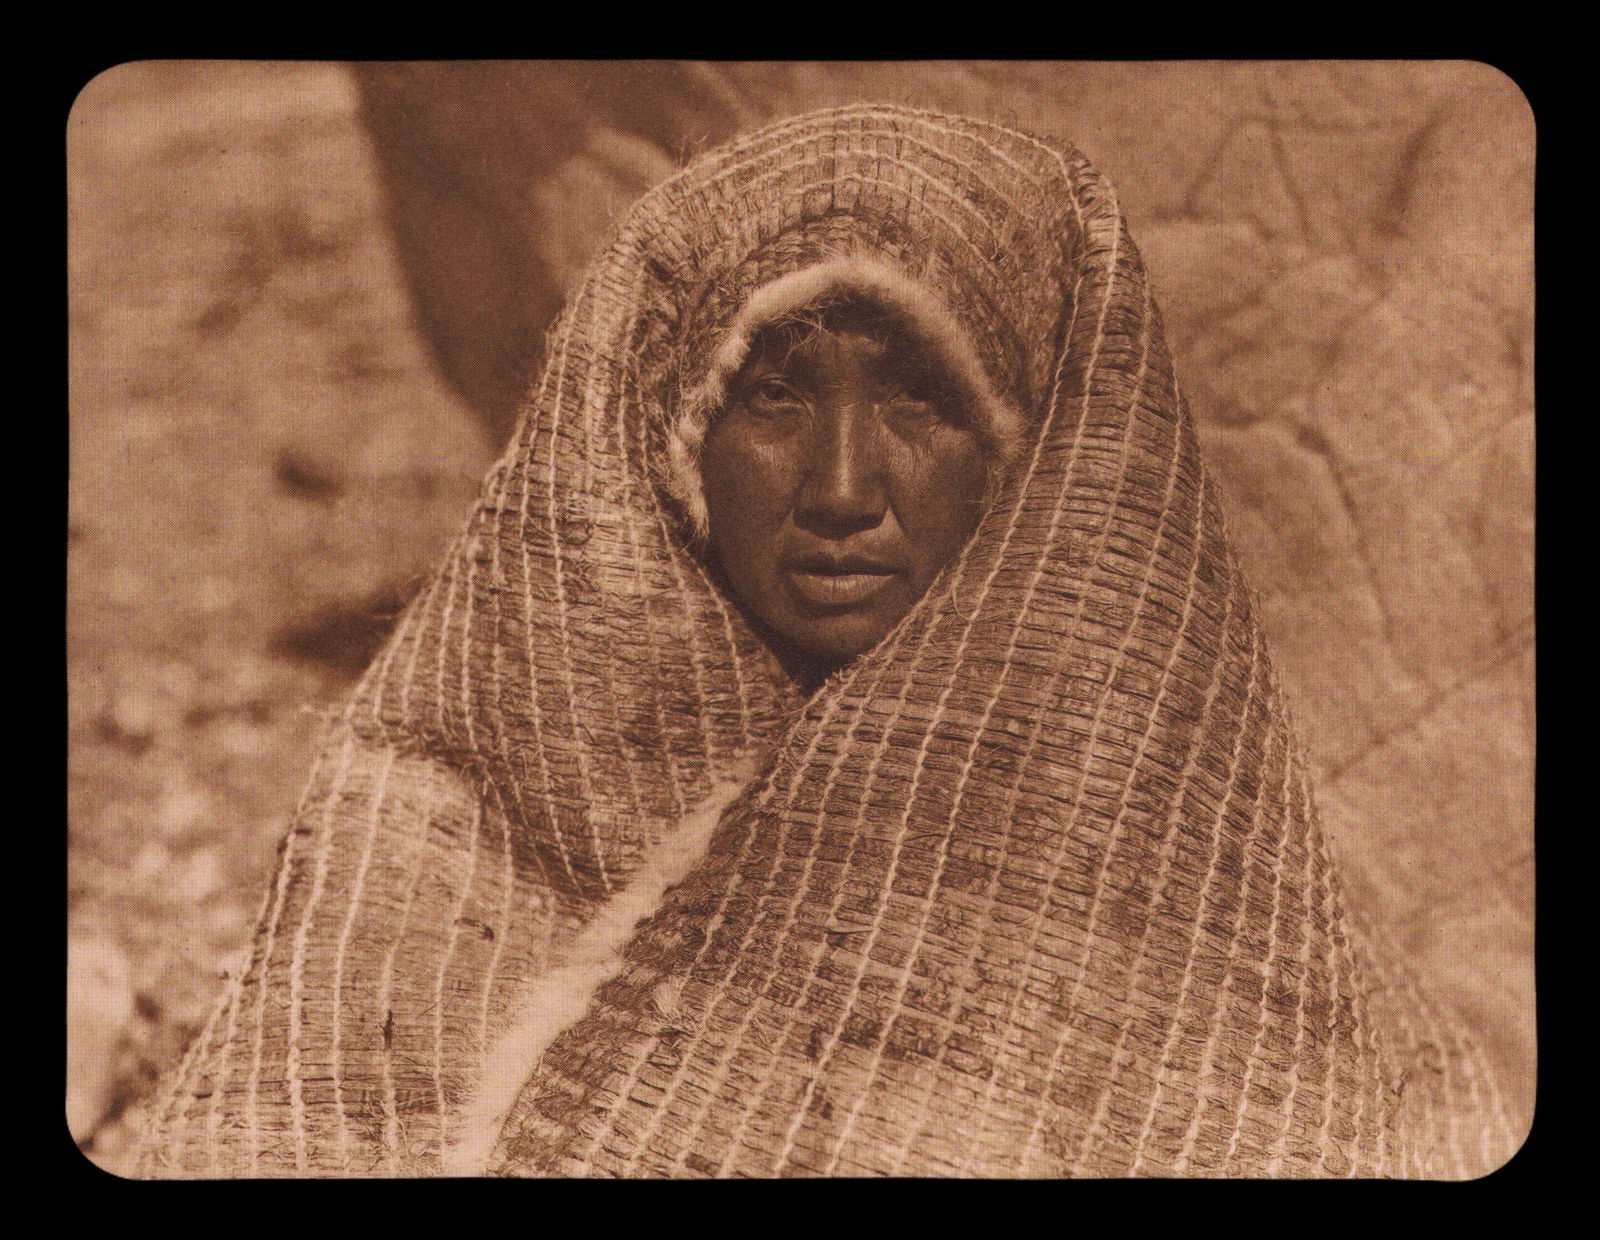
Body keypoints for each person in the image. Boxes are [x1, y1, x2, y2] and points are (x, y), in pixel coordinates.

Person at [140, 104, 1516, 1178]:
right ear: (661, 431)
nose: (845, 488)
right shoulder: (440, 816)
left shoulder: (1191, 927)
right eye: (773, 394)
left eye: (922, 401)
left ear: (1040, 461)